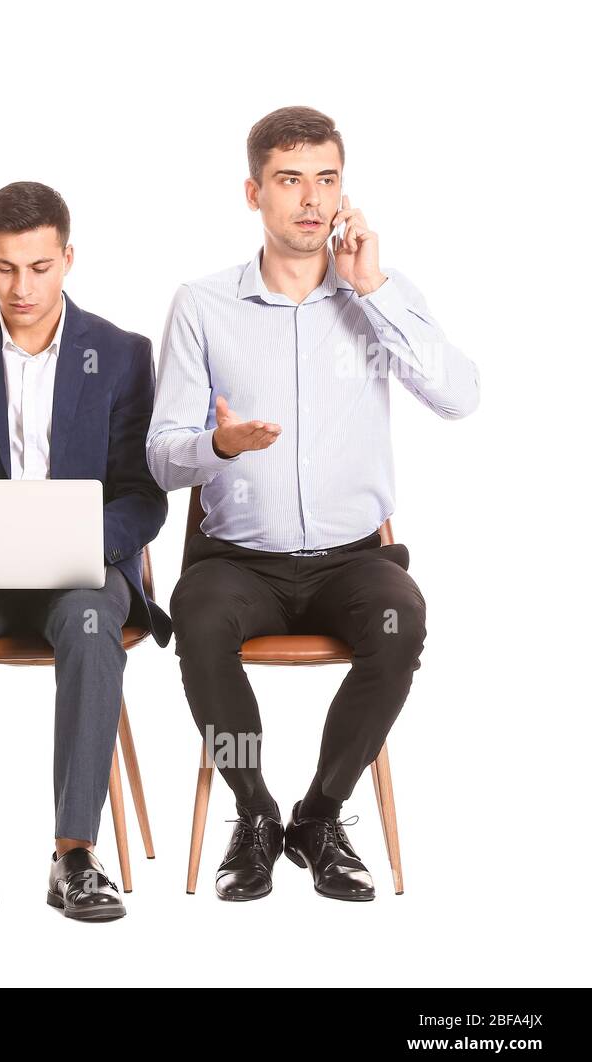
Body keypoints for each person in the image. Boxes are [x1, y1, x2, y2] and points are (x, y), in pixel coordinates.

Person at [148, 106, 480, 902]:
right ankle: (255, 813)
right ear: (254, 192)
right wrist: (218, 447)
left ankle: (320, 815)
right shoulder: (202, 304)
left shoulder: (378, 296)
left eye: (325, 180)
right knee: (196, 620)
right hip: (240, 564)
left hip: (352, 561)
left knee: (402, 621)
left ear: (343, 192)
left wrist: (376, 289)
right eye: (290, 180)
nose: (310, 200)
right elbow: (162, 457)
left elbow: (461, 395)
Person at [0, 181, 169, 923]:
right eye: (6, 267)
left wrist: (84, 540)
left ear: (67, 259)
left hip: (78, 570)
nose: (23, 286)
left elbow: (143, 496)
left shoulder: (119, 355)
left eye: (40, 267)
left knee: (87, 620)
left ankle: (76, 853)